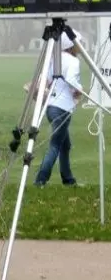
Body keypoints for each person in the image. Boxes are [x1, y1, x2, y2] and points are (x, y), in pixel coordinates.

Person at [34, 30, 83, 187]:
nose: (79, 47)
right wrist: (79, 89)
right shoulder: (73, 62)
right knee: (55, 144)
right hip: (63, 109)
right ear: (71, 45)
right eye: (77, 43)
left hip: (51, 107)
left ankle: (68, 179)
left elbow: (46, 81)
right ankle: (41, 179)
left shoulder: (54, 59)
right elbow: (71, 82)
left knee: (65, 144)